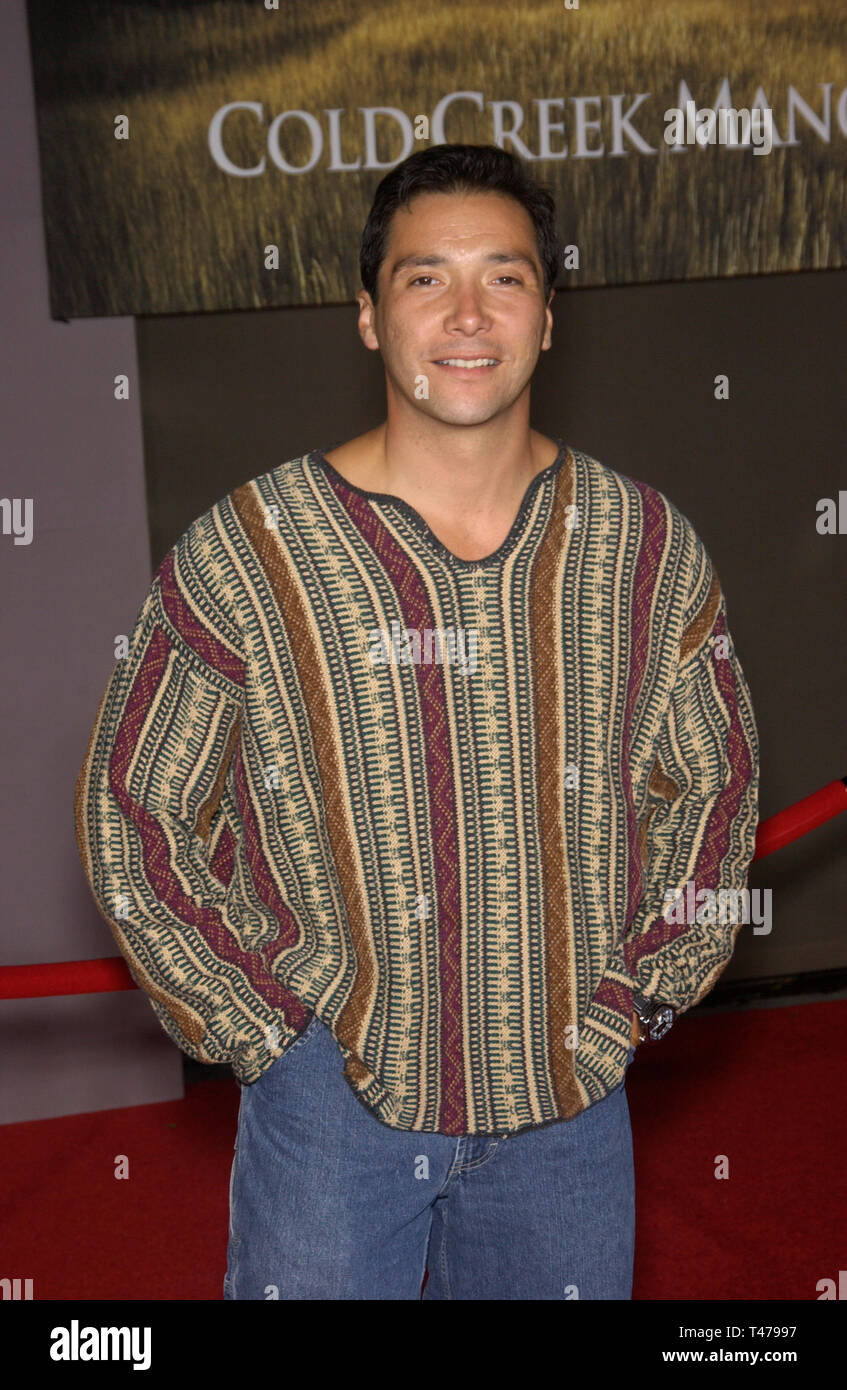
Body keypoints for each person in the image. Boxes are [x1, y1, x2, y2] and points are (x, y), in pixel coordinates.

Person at [74, 143, 760, 1300]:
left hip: (568, 1108)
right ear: (365, 314)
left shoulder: (643, 547)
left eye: (504, 276)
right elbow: (131, 804)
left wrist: (637, 991)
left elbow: (715, 788)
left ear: (548, 317)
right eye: (423, 277)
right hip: (329, 1114)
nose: (467, 313)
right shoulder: (253, 548)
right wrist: (265, 1032)